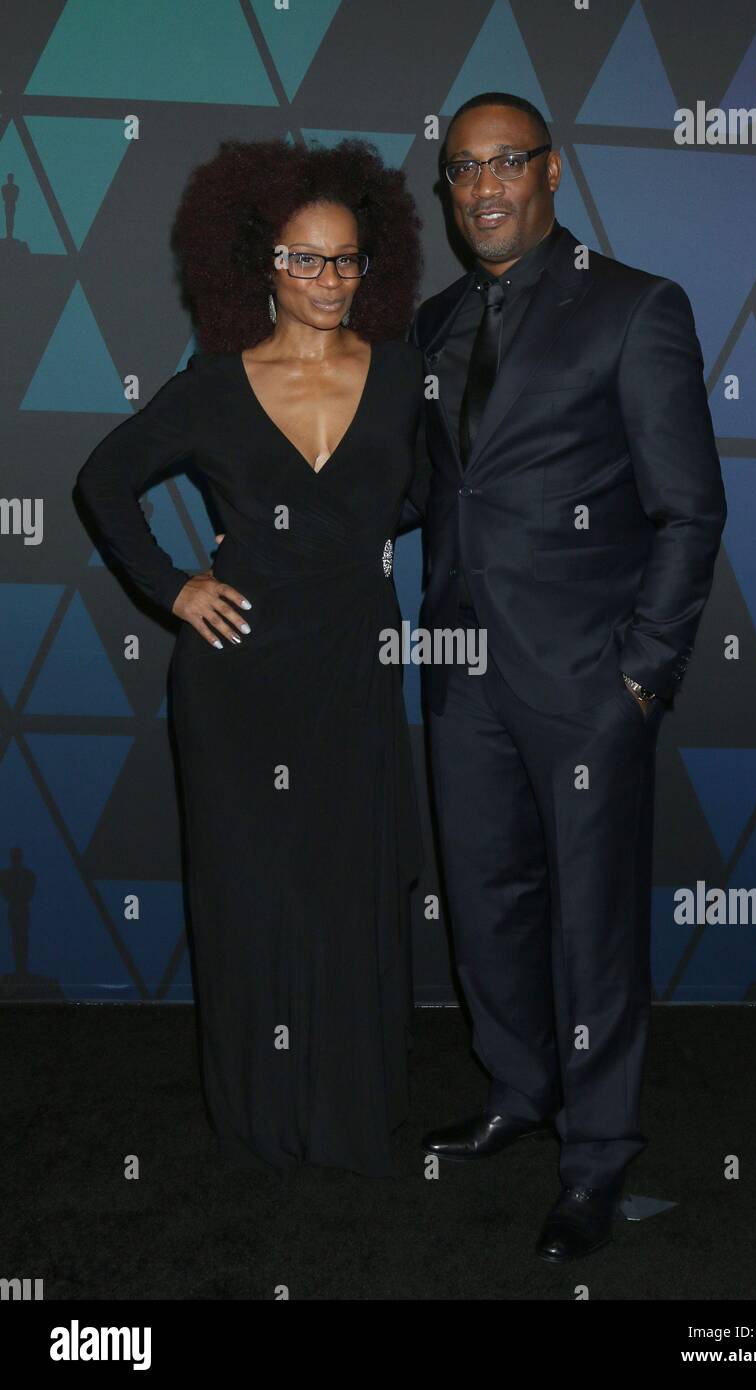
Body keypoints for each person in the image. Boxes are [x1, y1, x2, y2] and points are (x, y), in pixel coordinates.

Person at [409, 93, 727, 1259]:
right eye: (460, 169)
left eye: (505, 163)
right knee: (486, 904)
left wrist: (638, 677)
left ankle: (594, 1158)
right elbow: (427, 489)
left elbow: (689, 509)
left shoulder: (633, 305)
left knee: (591, 929)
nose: (483, 187)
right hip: (459, 673)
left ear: (550, 170)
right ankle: (514, 1089)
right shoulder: (433, 321)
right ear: (444, 191)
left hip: (587, 681)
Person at [74, 137, 428, 1178]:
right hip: (239, 674)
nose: (328, 281)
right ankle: (261, 1121)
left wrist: (343, 549)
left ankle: (349, 1114)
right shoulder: (213, 387)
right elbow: (103, 481)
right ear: (257, 265)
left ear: (375, 264)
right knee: (249, 891)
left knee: (352, 886)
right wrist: (174, 585)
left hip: (352, 661)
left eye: (346, 259)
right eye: (304, 259)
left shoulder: (404, 376)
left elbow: (428, 496)